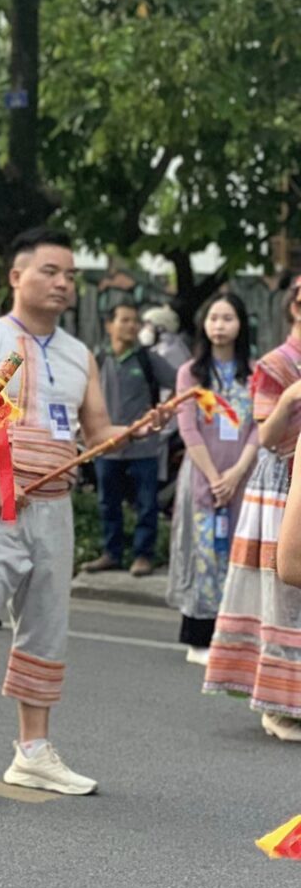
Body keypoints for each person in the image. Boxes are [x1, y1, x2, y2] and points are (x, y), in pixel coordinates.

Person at [0, 228, 160, 805]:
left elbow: (96, 433)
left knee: (47, 625)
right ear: (16, 276)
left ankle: (33, 753)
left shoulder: (80, 354)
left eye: (71, 275)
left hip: (54, 509)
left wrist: (135, 432)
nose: (63, 283)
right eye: (51, 271)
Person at [203, 279, 301, 742]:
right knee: (280, 594)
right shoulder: (275, 364)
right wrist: (288, 399)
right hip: (282, 481)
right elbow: (264, 437)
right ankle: (278, 706)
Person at [167, 294, 256, 665]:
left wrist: (236, 473)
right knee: (204, 552)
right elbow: (188, 429)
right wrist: (215, 476)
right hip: (203, 475)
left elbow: (259, 428)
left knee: (240, 553)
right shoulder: (191, 373)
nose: (220, 325)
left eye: (228, 318)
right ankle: (199, 638)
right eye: (213, 318)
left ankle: (238, 635)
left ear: (241, 325)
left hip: (244, 475)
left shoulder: (255, 373)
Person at [81, 302, 178, 576]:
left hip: (144, 447)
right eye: (124, 320)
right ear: (109, 325)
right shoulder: (98, 359)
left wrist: (165, 411)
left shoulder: (147, 359)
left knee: (146, 504)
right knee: (107, 503)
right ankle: (111, 553)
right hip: (106, 447)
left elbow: (180, 382)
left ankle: (143, 555)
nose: (131, 326)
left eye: (135, 321)